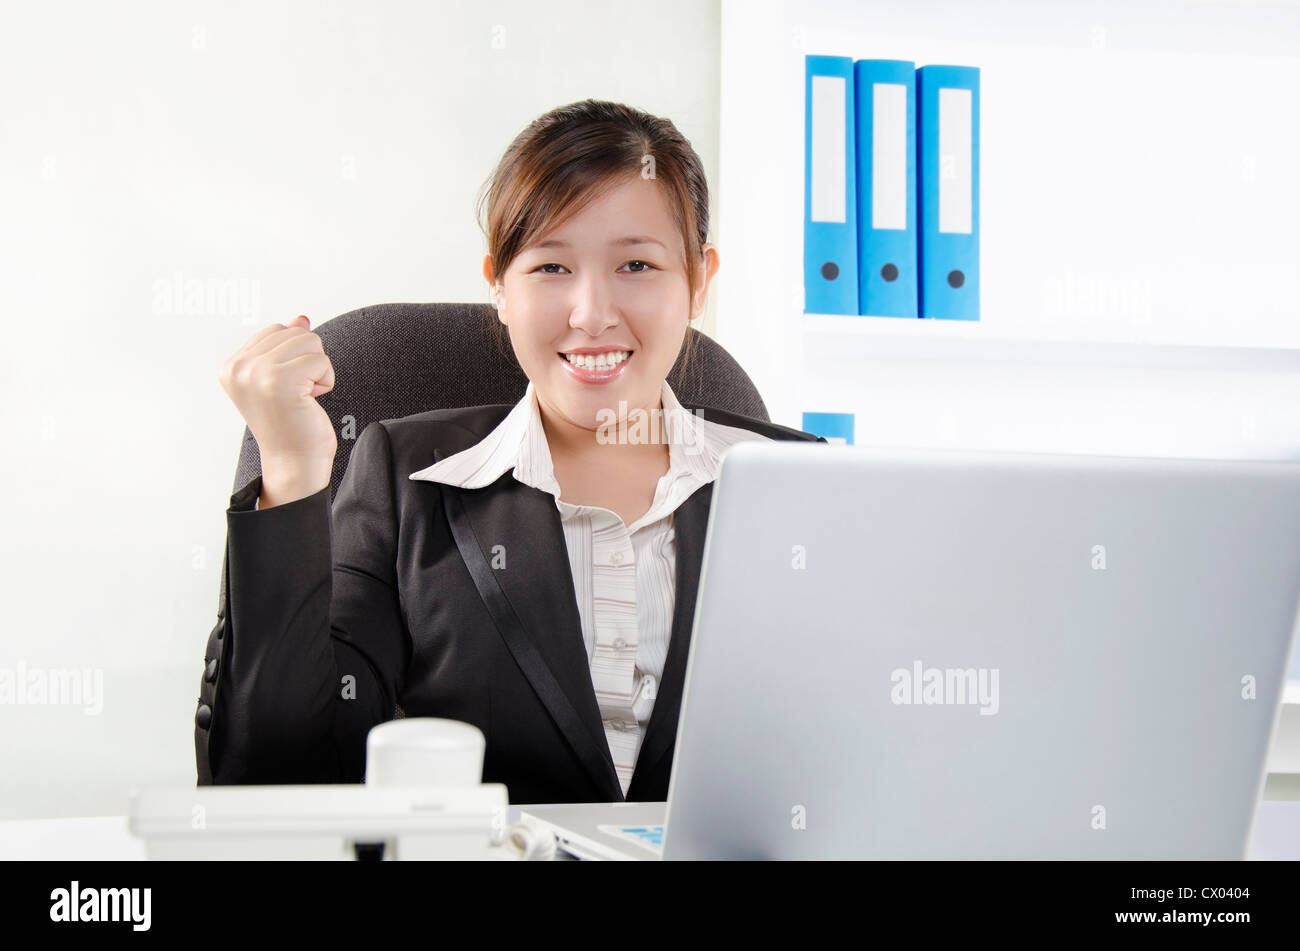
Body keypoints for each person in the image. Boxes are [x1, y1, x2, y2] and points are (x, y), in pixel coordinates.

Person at [195, 99, 826, 804]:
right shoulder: (404, 482)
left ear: (699, 281)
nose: (591, 313)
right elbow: (273, 784)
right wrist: (290, 474)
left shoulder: (805, 486)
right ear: (499, 284)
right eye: (551, 267)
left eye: (638, 264)